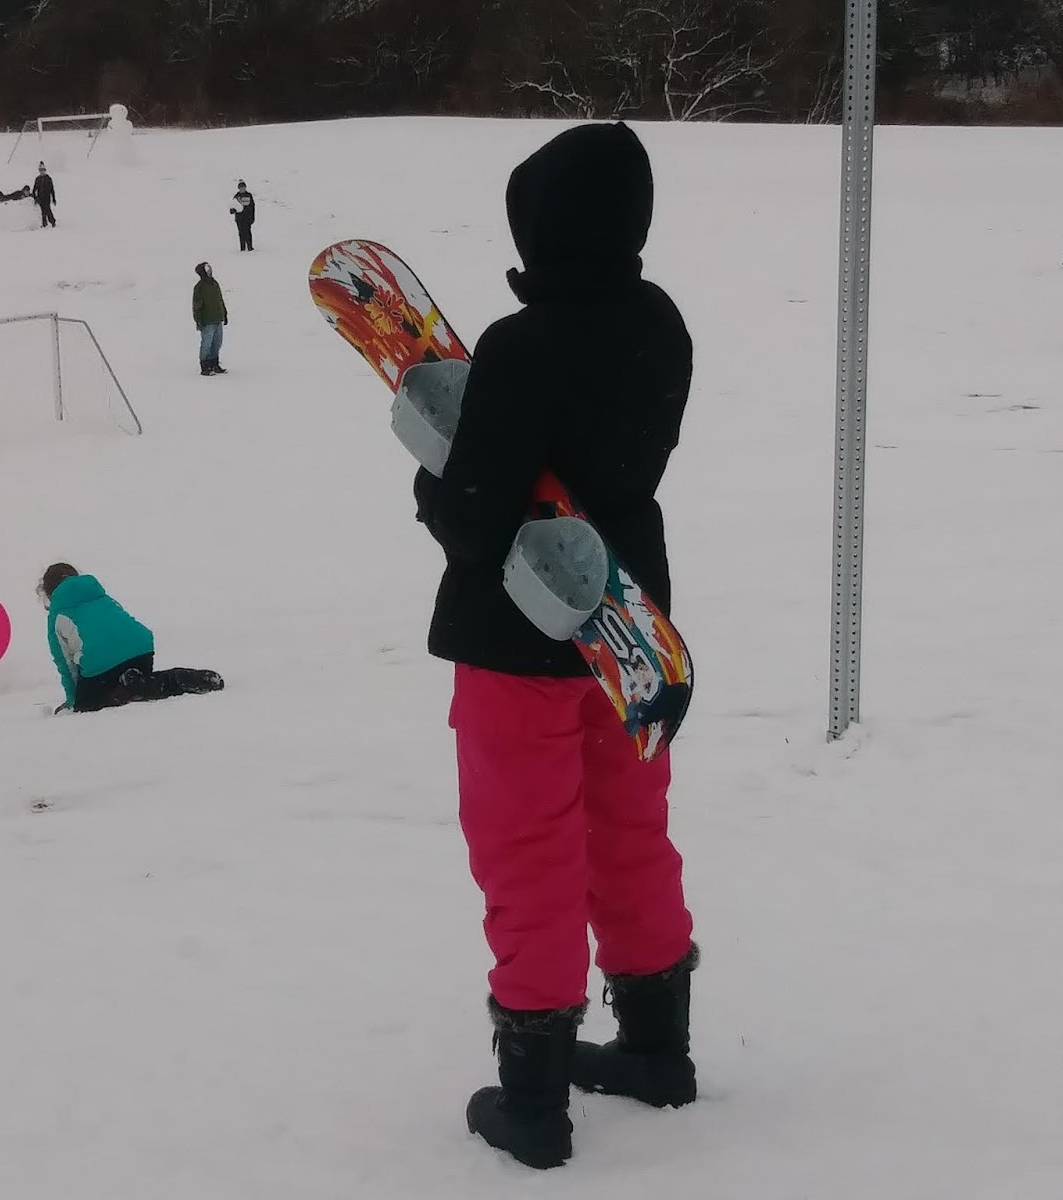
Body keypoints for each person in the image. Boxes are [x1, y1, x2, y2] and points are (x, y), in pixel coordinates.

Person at [410, 122, 697, 1171]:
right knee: (631, 829)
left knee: (529, 845)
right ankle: (657, 1050)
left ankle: (532, 1102)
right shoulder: (660, 322)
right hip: (630, 630)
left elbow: (479, 516)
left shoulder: (521, 344)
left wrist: (428, 482)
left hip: (516, 636)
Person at [38, 563, 223, 712]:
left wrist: (74, 701)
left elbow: (65, 664)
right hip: (141, 651)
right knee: (135, 680)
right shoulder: (100, 596)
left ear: (47, 593)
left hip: (102, 663)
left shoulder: (57, 615)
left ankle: (129, 688)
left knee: (88, 704)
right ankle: (158, 679)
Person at [192, 261, 228, 376]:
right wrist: (199, 320)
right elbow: (196, 306)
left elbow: (220, 299)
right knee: (207, 343)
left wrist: (224, 313)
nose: (210, 271)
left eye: (210, 269)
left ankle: (214, 363)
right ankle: (204, 365)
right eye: (207, 269)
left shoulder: (214, 283)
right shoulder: (199, 287)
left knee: (217, 343)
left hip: (217, 318)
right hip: (207, 321)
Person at [230, 179, 256, 251]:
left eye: (243, 187)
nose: (242, 188)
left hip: (247, 218)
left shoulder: (249, 195)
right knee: (241, 233)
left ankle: (250, 247)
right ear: (238, 188)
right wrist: (232, 210)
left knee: (248, 232)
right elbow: (232, 207)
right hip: (239, 219)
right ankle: (242, 248)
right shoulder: (236, 196)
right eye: (240, 187)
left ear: (245, 187)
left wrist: (252, 217)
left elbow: (253, 207)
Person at [32, 162, 57, 228]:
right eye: (40, 170)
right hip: (40, 197)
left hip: (47, 197)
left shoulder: (48, 178)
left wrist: (53, 198)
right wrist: (35, 198)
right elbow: (34, 189)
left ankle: (52, 221)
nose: (41, 171)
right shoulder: (37, 179)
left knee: (47, 210)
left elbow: (52, 189)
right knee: (42, 211)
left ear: (45, 170)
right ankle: (44, 223)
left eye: (43, 170)